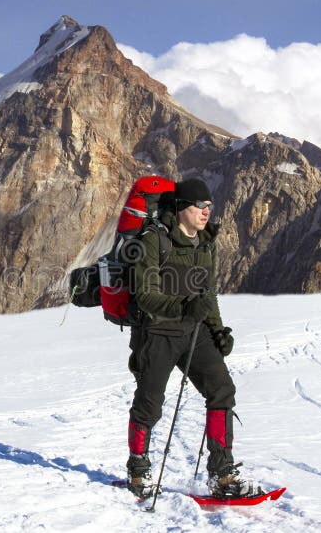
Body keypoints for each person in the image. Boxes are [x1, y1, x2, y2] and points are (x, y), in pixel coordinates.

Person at [125, 178, 258, 499]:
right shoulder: (154, 240)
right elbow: (145, 295)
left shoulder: (206, 243)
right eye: (200, 206)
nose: (206, 212)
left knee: (222, 390)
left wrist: (218, 330)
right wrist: (185, 307)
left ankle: (222, 473)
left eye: (209, 206)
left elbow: (207, 294)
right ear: (182, 207)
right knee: (149, 403)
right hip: (157, 332)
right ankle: (138, 469)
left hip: (195, 333)